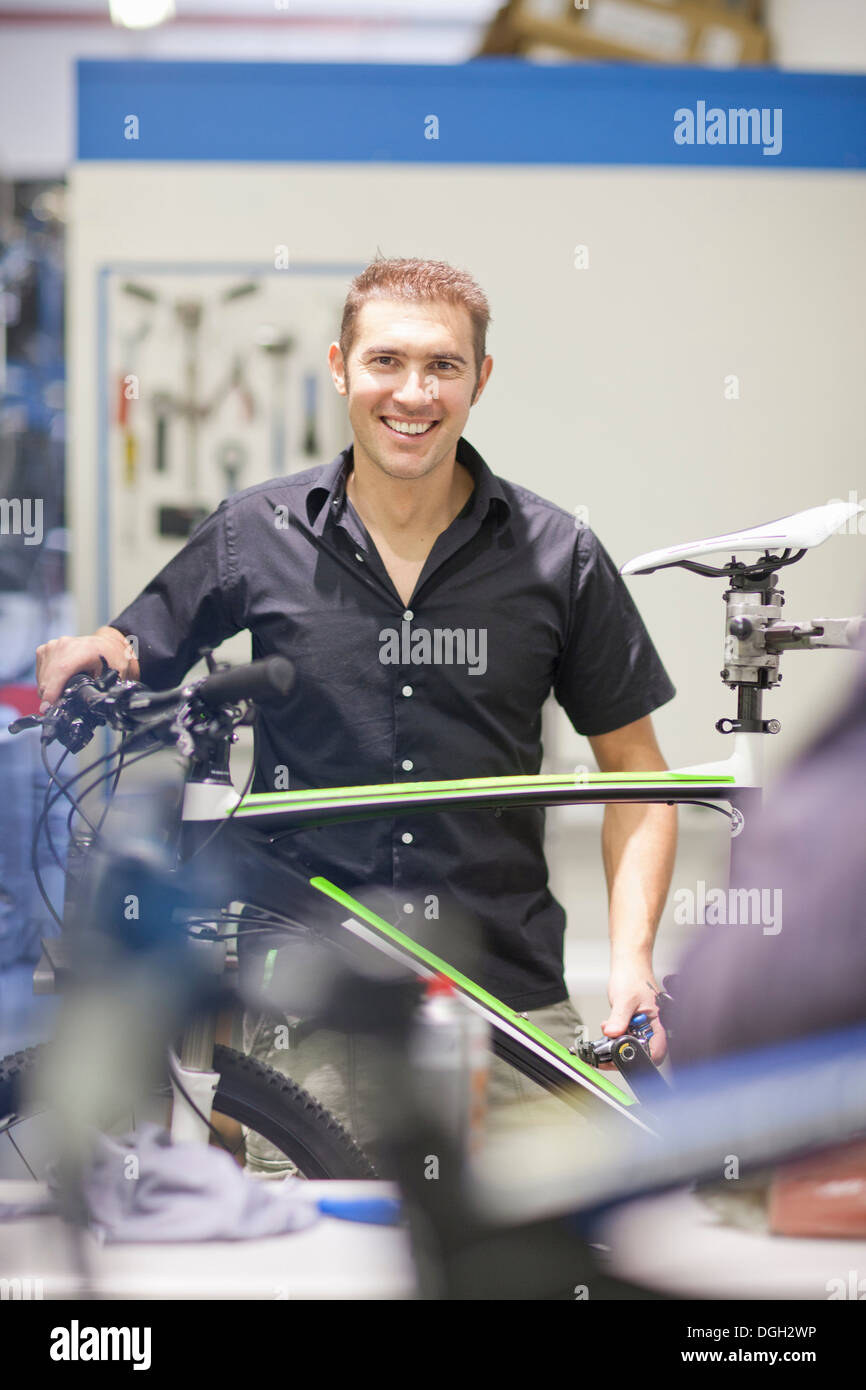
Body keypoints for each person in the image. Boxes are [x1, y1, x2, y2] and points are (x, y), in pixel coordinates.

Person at [35, 256, 677, 1154]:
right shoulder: (254, 536)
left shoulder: (558, 555)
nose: (412, 393)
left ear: (480, 380)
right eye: (385, 362)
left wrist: (634, 961)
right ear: (340, 367)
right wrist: (97, 648)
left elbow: (637, 778)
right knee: (316, 1278)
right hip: (315, 1018)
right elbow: (138, 650)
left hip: (508, 1004)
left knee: (545, 1278)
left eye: (443, 367)